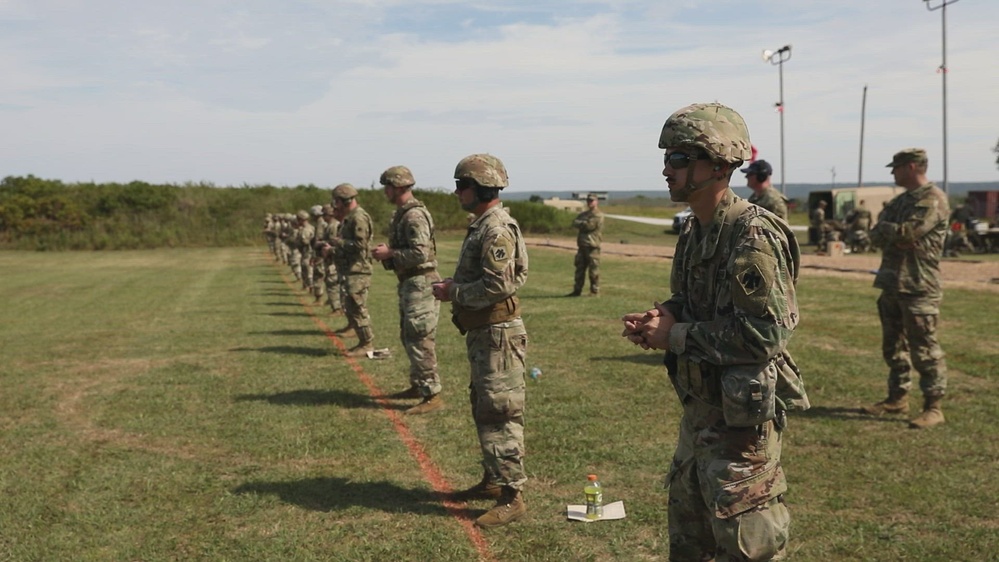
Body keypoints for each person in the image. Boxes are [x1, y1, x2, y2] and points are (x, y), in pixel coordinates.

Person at [621, 102, 809, 561]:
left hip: (740, 435)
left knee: (746, 548)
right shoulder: (695, 230)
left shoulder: (753, 235)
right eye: (667, 158)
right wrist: (661, 317)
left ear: (720, 164)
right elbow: (691, 301)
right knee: (690, 544)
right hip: (701, 417)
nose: (667, 169)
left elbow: (766, 336)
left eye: (680, 159)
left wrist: (677, 335)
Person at [432, 153, 529, 529]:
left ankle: (512, 496)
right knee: (485, 406)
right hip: (485, 333)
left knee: (501, 413)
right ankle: (494, 479)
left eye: (461, 186)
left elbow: (498, 284)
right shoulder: (483, 225)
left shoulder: (496, 228)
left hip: (497, 335)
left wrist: (454, 292)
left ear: (479, 188)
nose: (457, 193)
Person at [862, 148, 949, 429]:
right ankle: (897, 398)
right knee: (893, 346)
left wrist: (892, 231)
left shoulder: (932, 199)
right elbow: (875, 236)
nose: (892, 173)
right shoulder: (901, 202)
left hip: (918, 285)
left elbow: (908, 234)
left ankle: (933, 406)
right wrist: (892, 232)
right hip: (892, 283)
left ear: (911, 167)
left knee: (924, 348)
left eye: (896, 168)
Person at [372, 166, 444, 415]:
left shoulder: (414, 216)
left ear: (399, 187)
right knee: (409, 335)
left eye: (388, 187)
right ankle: (419, 385)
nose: (386, 192)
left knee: (419, 337)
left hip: (420, 282)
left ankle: (432, 394)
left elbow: (420, 253)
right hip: (410, 283)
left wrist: (390, 253)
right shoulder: (403, 214)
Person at [323, 183, 375, 357]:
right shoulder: (351, 217)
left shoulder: (358, 217)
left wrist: (338, 243)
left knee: (357, 306)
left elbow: (361, 245)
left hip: (358, 270)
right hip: (351, 269)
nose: (334, 205)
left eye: (336, 201)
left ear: (344, 200)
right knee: (351, 306)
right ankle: (362, 341)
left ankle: (367, 343)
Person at [567, 193, 604, 297]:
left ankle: (594, 291)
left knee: (593, 270)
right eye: (588, 201)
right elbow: (574, 222)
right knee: (579, 269)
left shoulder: (598, 215)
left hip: (592, 246)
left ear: (597, 202)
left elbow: (589, 226)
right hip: (582, 245)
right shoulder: (584, 214)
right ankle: (577, 290)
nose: (589, 202)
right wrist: (581, 223)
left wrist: (581, 223)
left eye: (592, 201)